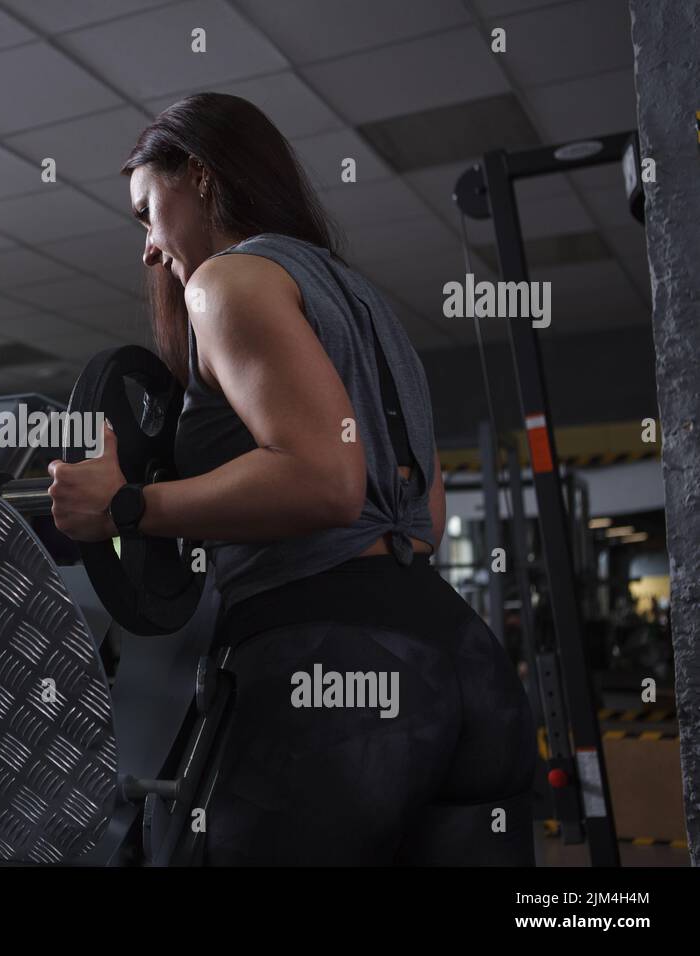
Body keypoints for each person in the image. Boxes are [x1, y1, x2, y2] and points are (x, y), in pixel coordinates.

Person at [47, 93, 536, 865]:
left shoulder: (227, 282)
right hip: (461, 661)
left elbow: (324, 482)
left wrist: (126, 505)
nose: (147, 247)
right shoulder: (362, 299)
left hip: (333, 673)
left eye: (147, 211)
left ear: (199, 176)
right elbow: (423, 517)